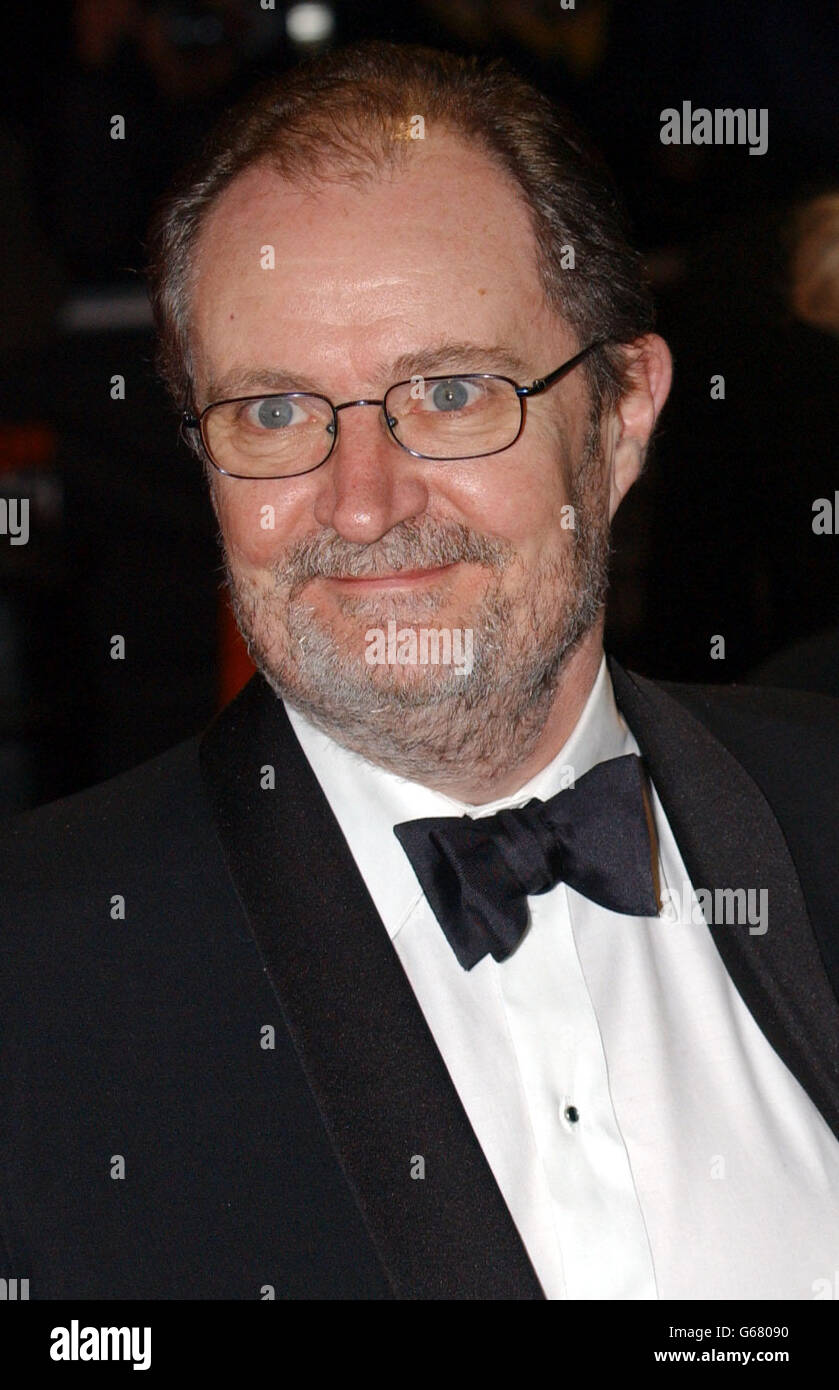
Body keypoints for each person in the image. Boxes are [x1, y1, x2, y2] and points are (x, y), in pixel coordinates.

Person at [2, 40, 839, 1302]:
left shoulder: (817, 799)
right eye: (275, 412)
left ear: (618, 419)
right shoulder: (40, 978)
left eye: (448, 392)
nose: (359, 505)